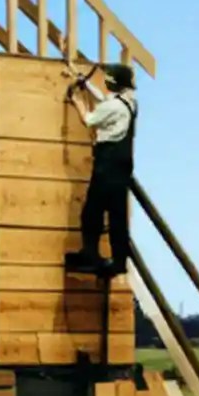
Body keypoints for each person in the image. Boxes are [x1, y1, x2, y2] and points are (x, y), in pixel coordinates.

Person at [64, 64, 137, 277]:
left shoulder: (113, 106)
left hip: (107, 164)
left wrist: (76, 101)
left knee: (92, 212)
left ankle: (90, 254)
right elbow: (106, 102)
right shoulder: (129, 104)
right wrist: (86, 84)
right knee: (117, 216)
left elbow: (89, 119)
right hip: (122, 167)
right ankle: (119, 261)